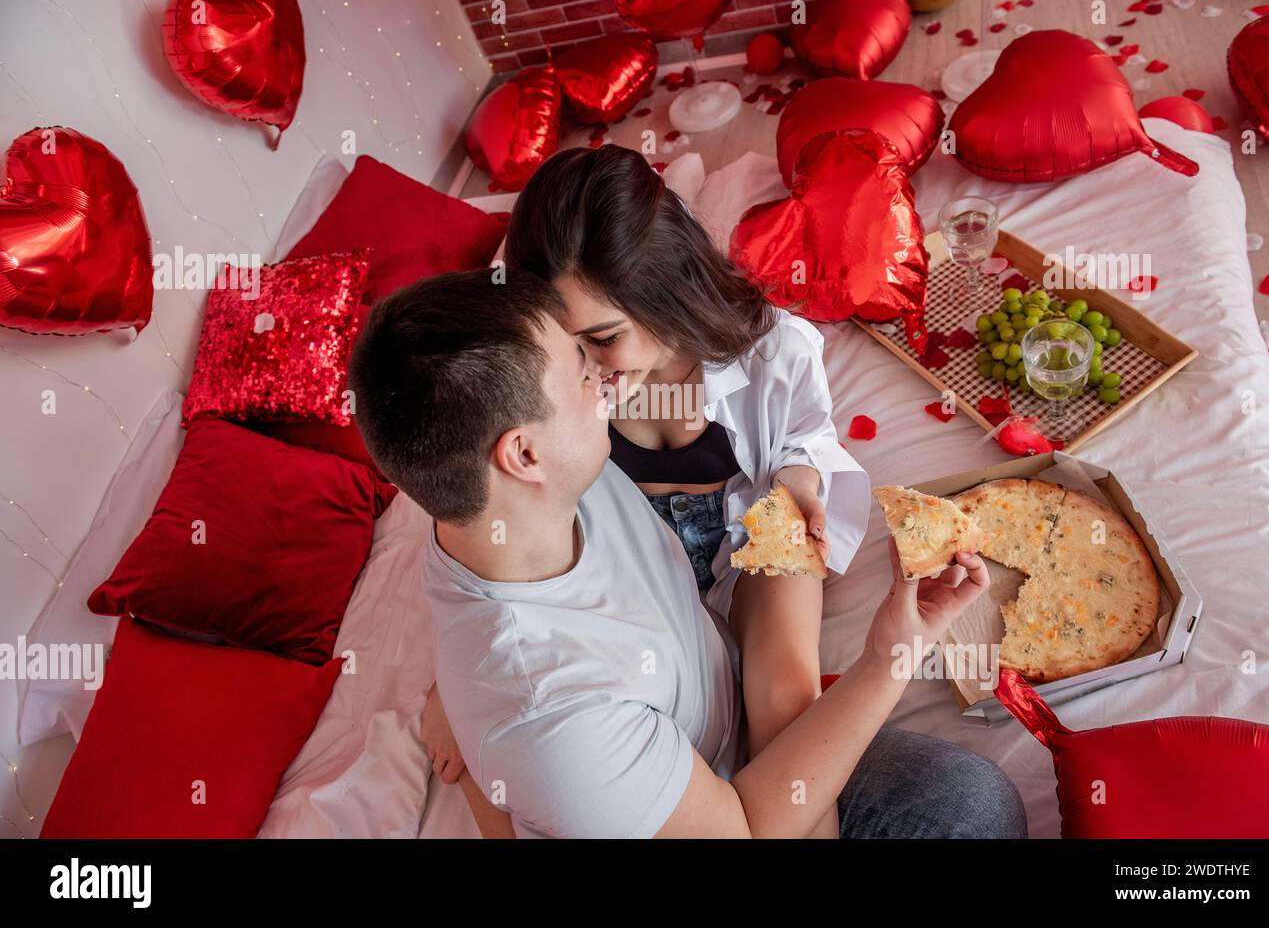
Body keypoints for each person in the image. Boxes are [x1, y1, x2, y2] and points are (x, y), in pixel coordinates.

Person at [347, 267, 1027, 838]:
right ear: (523, 453)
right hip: (722, 807)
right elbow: (749, 826)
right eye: (581, 374)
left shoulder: (501, 501)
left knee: (968, 800)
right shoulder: (557, 717)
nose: (608, 382)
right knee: (971, 812)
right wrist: (886, 658)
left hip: (705, 745)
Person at [430, 145, 872, 837]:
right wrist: (459, 686)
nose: (592, 373)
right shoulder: (559, 403)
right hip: (632, 601)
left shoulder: (772, 352)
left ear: (659, 289)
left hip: (746, 565)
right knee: (588, 773)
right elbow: (490, 513)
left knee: (787, 695)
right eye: (568, 350)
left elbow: (804, 434)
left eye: (603, 339)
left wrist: (799, 479)